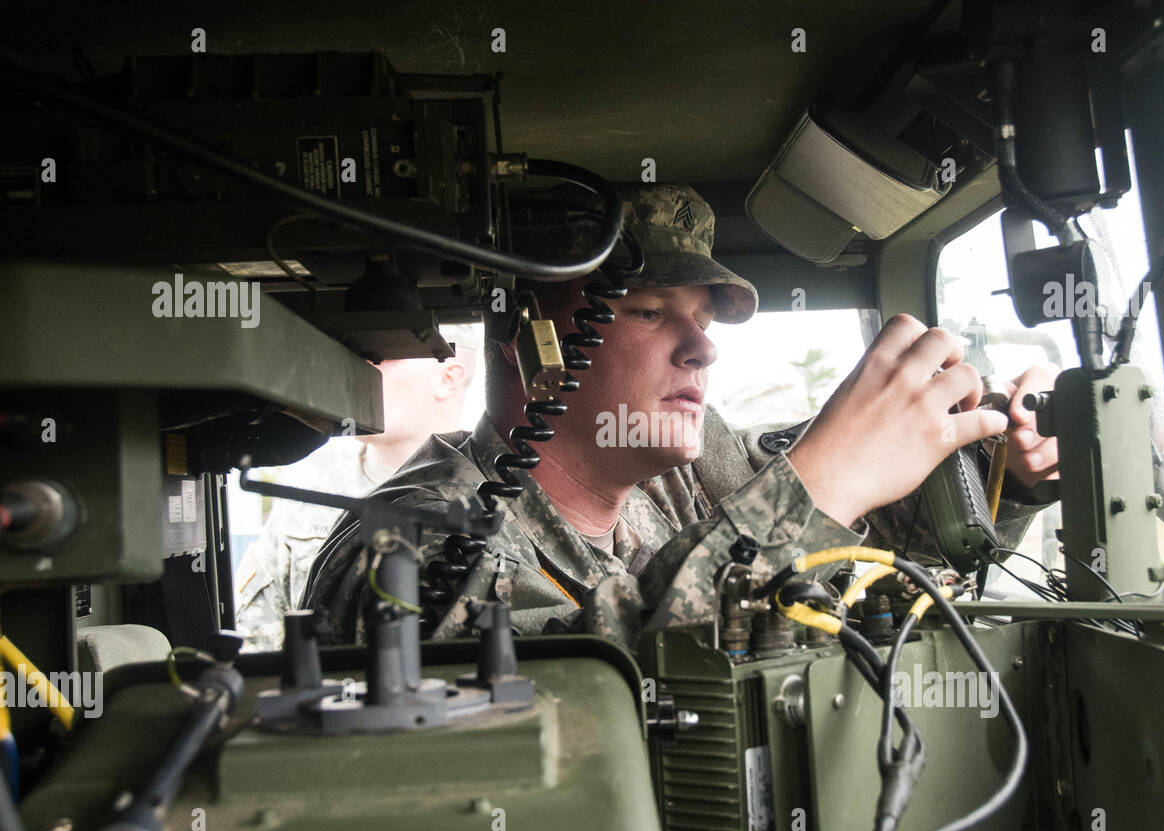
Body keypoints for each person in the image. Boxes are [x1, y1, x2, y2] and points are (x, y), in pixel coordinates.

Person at [303, 183, 1059, 650]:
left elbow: (869, 540)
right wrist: (813, 492)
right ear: (526, 339)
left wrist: (1008, 468)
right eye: (648, 312)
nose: (702, 349)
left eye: (701, 319)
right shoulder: (410, 544)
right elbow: (579, 715)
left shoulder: (687, 475)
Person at [236, 332, 479, 651]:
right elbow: (257, 653)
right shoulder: (301, 506)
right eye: (354, 355)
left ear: (448, 378)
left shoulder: (498, 497)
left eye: (379, 358)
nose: (355, 369)